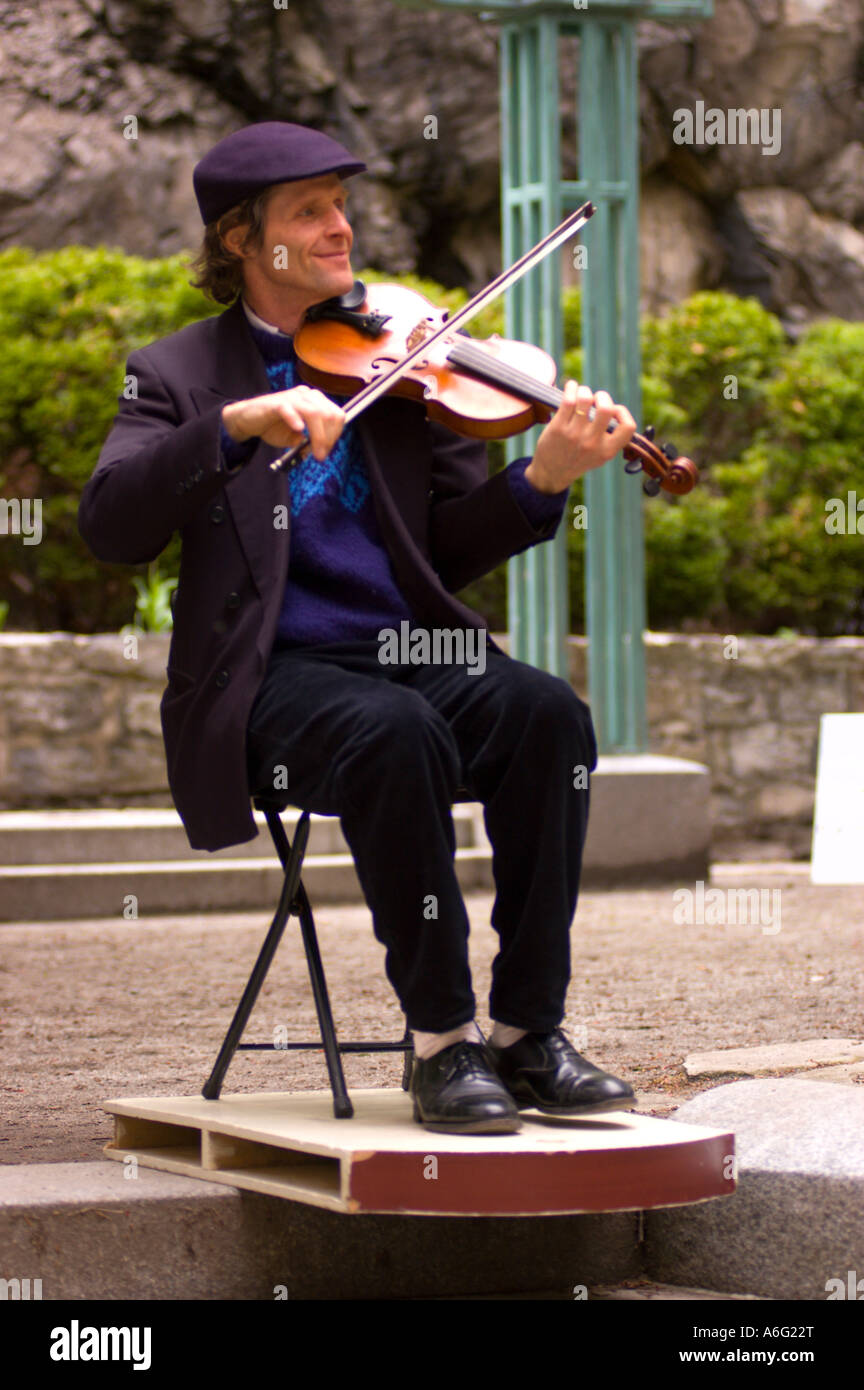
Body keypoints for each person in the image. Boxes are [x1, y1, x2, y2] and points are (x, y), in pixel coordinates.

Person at [79, 121, 639, 1135]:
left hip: (405, 652)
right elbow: (110, 524)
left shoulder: (405, 353)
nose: (342, 228)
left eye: (343, 204)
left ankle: (526, 1031)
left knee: (549, 716)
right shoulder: (174, 375)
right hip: (270, 682)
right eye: (311, 211)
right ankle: (441, 1043)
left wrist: (541, 479)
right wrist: (234, 427)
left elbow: (444, 552)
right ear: (243, 239)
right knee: (393, 731)